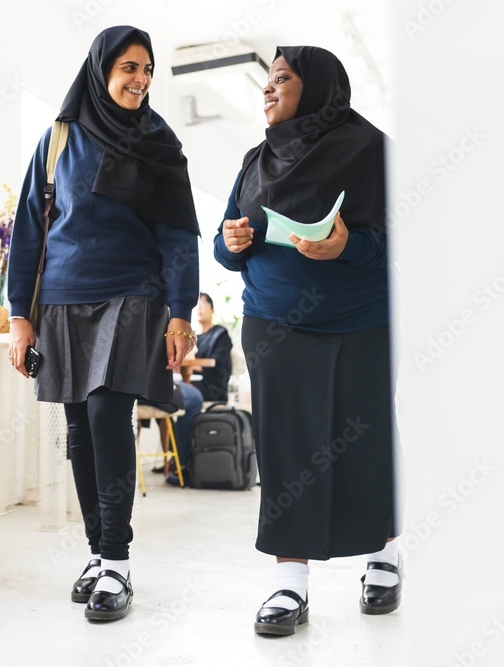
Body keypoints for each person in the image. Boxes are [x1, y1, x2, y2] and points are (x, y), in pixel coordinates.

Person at [7, 25, 199, 622]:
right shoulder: (58, 138)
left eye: (148, 70)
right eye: (130, 68)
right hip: (64, 298)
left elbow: (177, 234)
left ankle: (117, 561)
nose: (140, 79)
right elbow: (30, 231)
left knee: (106, 413)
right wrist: (19, 316)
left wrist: (180, 312)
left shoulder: (160, 141)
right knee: (79, 429)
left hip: (131, 293)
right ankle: (96, 552)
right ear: (101, 70)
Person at [215, 46, 399, 636]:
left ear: (318, 88)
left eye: (282, 78)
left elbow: (402, 239)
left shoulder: (370, 150)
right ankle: (290, 581)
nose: (267, 89)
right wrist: (232, 243)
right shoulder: (256, 160)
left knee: (364, 439)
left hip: (360, 322)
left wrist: (348, 247)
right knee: (286, 446)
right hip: (275, 323)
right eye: (266, 80)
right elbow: (224, 248)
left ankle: (383, 555)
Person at [191, 292, 233, 403]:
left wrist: (188, 367)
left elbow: (216, 363)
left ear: (212, 310)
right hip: (189, 381)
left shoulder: (220, 334)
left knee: (174, 393)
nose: (199, 307)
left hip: (212, 387)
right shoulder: (190, 337)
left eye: (203, 303)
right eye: (195, 304)